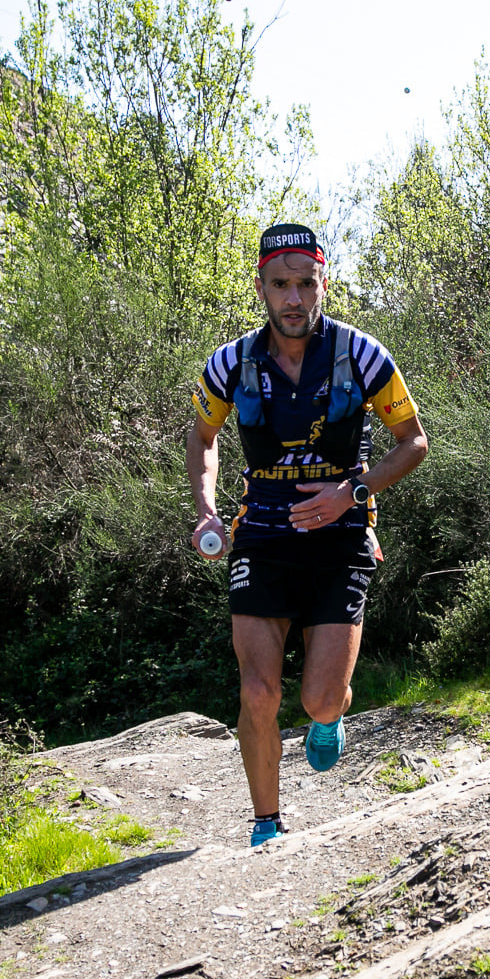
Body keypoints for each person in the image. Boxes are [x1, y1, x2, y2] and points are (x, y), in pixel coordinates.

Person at [186, 223, 429, 848]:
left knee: (321, 700)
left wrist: (351, 492)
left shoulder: (364, 356)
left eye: (305, 283)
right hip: (262, 535)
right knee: (258, 691)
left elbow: (413, 443)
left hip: (341, 536)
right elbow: (203, 438)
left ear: (324, 283)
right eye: (280, 285)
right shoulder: (230, 363)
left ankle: (328, 720)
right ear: (261, 288)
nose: (293, 298)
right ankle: (266, 825)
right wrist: (208, 509)